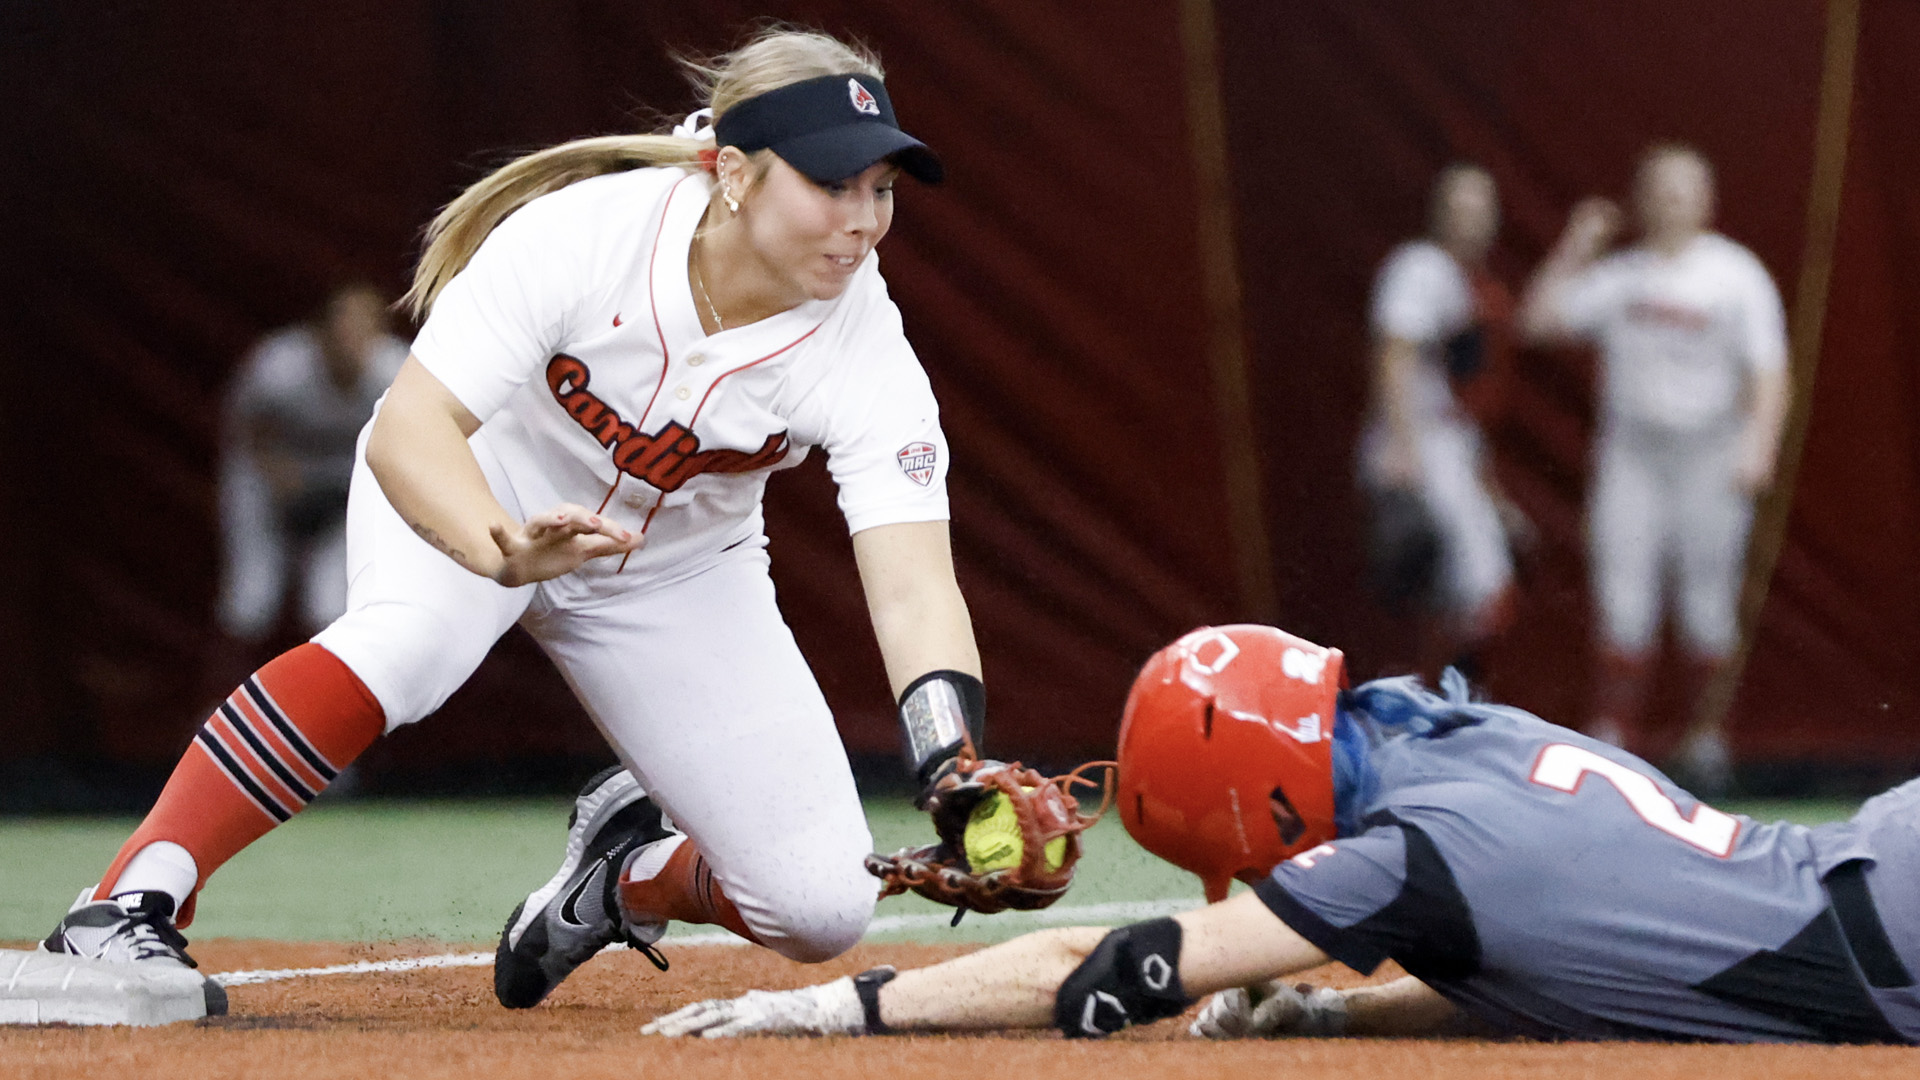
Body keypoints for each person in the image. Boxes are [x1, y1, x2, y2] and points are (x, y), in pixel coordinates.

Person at [37, 28, 995, 1017]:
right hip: (473, 484)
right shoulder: (588, 235)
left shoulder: (865, 350)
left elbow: (916, 585)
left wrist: (955, 767)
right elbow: (413, 432)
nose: (863, 219)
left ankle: (623, 878)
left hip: (673, 573)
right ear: (737, 174)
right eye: (833, 184)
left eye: (881, 188)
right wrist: (499, 544)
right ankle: (123, 903)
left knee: (821, 909)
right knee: (410, 643)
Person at [644, 624, 1920, 1045]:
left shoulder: (1405, 859)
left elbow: (1104, 971)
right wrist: (1340, 1015)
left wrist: (837, 1010)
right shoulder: (1457, 736)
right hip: (1877, 870)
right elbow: (1557, 957)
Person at [1519, 144, 1790, 792]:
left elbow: (1770, 371)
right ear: (1642, 200)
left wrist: (1760, 443)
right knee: (1623, 606)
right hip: (1633, 458)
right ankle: (1614, 741)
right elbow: (1536, 321)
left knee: (1706, 610)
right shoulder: (1624, 276)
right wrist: (1578, 244)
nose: (1672, 202)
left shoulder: (1735, 275)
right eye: (1661, 190)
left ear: (1707, 199)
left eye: (1685, 189)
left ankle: (1706, 741)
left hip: (1709, 458)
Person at [1360, 164, 1523, 679]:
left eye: (1481, 210)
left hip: (1452, 444)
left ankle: (1448, 706)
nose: (1471, 221)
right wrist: (1402, 447)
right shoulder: (1419, 267)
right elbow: (1394, 353)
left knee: (1482, 592)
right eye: (1461, 208)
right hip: (1417, 438)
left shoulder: (1470, 283)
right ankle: (1425, 705)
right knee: (1457, 584)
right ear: (1439, 212)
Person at [218, 284, 408, 643]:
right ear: (320, 331)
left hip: (347, 482)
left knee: (329, 607)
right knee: (251, 600)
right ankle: (221, 690)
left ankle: (310, 697)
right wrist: (282, 478)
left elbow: (408, 450)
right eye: (345, 326)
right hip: (270, 473)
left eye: (365, 328)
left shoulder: (396, 373)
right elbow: (250, 433)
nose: (353, 339)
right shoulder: (280, 366)